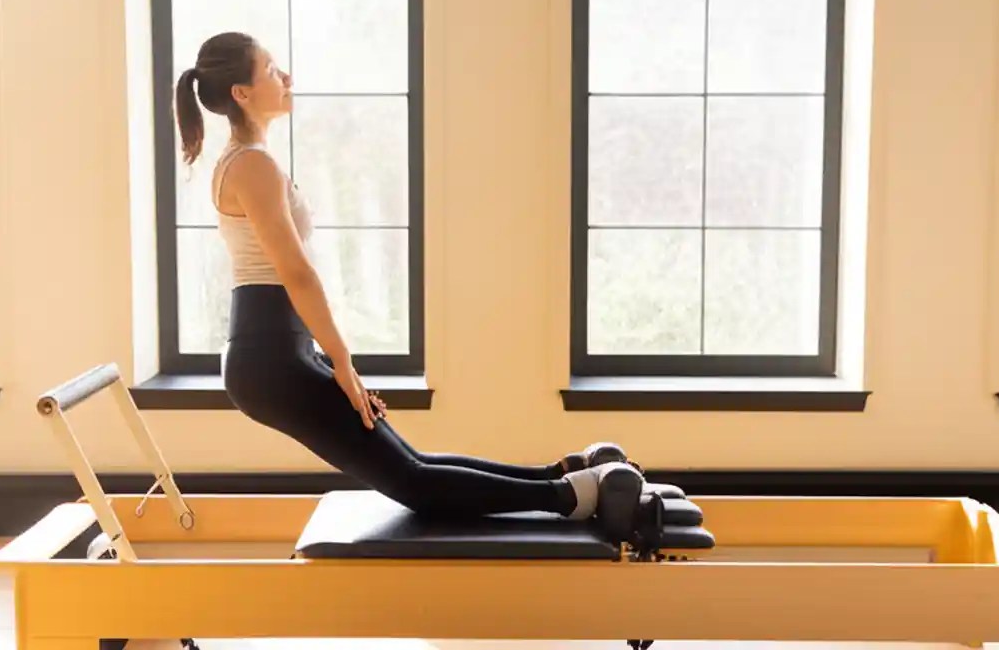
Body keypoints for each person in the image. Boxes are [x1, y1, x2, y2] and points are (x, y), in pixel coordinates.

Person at [173, 31, 646, 534]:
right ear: (242, 93)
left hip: (279, 347)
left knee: (410, 463)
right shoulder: (251, 165)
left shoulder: (251, 161)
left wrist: (327, 359)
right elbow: (295, 273)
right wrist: (343, 367)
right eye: (270, 70)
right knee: (412, 482)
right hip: (269, 358)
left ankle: (563, 476)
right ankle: (572, 496)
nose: (286, 77)